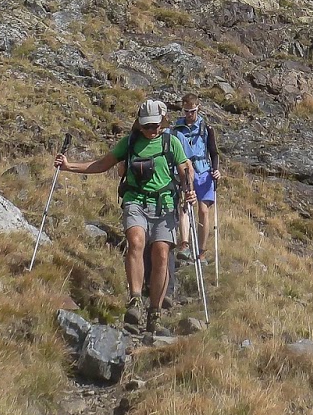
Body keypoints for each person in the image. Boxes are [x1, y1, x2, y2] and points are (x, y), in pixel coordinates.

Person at [56, 98, 195, 337]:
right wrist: (69, 167)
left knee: (162, 254)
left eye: (157, 125)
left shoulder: (171, 142)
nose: (153, 130)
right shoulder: (129, 144)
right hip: (135, 201)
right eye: (149, 126)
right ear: (140, 124)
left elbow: (185, 168)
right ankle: (135, 301)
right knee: (136, 242)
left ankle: (155, 312)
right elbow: (102, 164)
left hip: (164, 205)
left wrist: (189, 186)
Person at [171, 94, 219, 262]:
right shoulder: (176, 129)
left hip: (204, 172)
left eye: (192, 111)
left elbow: (213, 151)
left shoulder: (206, 127)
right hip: (185, 172)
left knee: (203, 211)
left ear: (198, 108)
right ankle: (184, 244)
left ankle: (201, 252)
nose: (189, 114)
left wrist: (216, 170)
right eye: (186, 111)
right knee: (186, 206)